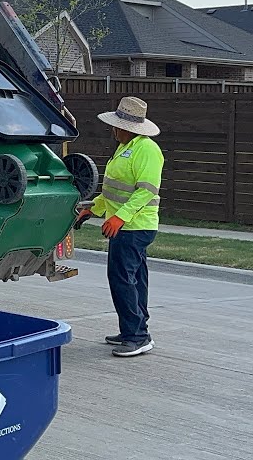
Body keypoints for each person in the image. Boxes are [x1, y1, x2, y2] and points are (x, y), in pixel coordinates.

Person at [78, 96, 164, 358]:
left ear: (127, 127)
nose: (113, 130)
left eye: (116, 125)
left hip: (134, 227)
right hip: (128, 225)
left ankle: (137, 336)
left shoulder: (146, 150)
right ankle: (134, 328)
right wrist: (93, 208)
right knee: (136, 279)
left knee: (122, 279)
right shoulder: (126, 147)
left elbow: (145, 191)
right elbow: (114, 191)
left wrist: (120, 218)